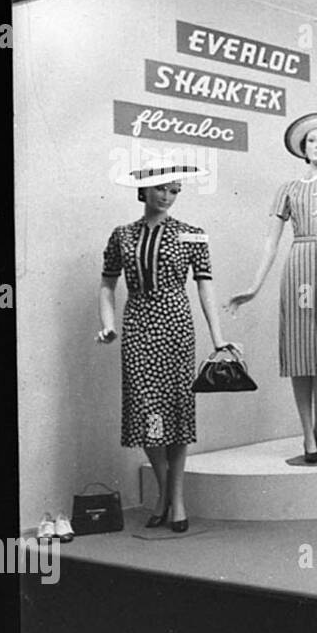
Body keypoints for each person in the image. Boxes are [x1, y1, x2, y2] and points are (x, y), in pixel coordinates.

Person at [227, 112, 317, 463]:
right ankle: (307, 434)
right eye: (311, 141)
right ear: (303, 150)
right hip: (299, 269)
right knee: (301, 350)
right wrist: (254, 287)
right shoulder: (288, 190)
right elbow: (271, 244)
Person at [98, 162, 232, 534]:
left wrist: (218, 338)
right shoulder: (122, 235)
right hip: (138, 323)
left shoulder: (192, 234)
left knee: (175, 409)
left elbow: (205, 286)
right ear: (143, 190)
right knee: (147, 412)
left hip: (175, 325)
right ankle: (166, 494)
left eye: (174, 190)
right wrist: (108, 324)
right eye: (161, 188)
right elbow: (108, 284)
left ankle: (176, 500)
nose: (167, 196)